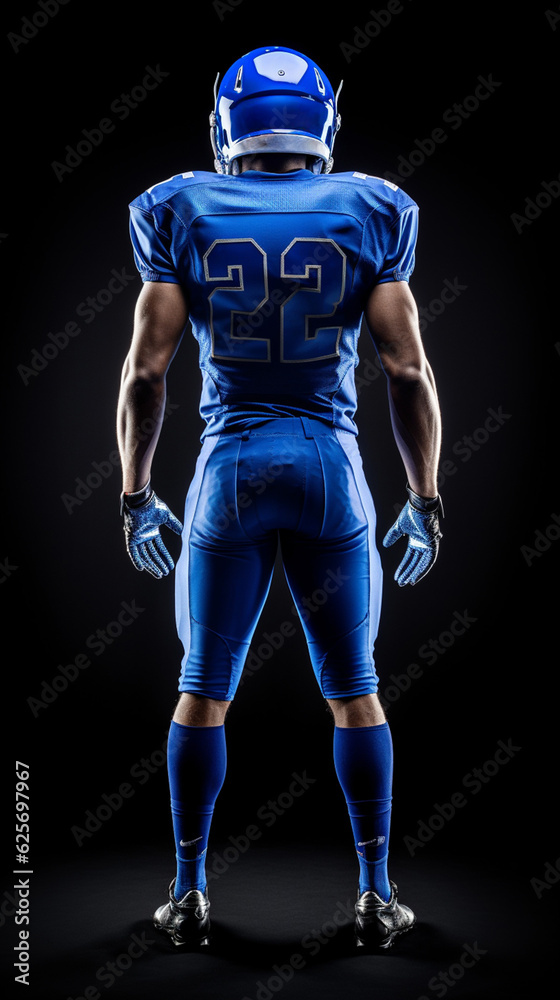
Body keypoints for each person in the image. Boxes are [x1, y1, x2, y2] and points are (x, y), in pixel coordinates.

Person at [116, 45, 442, 952]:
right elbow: (406, 369)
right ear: (320, 127)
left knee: (201, 691)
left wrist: (136, 495)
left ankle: (186, 895)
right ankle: (377, 895)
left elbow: (147, 372)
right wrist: (427, 497)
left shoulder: (180, 207)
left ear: (228, 121)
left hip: (228, 470)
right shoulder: (372, 208)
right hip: (332, 471)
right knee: (358, 692)